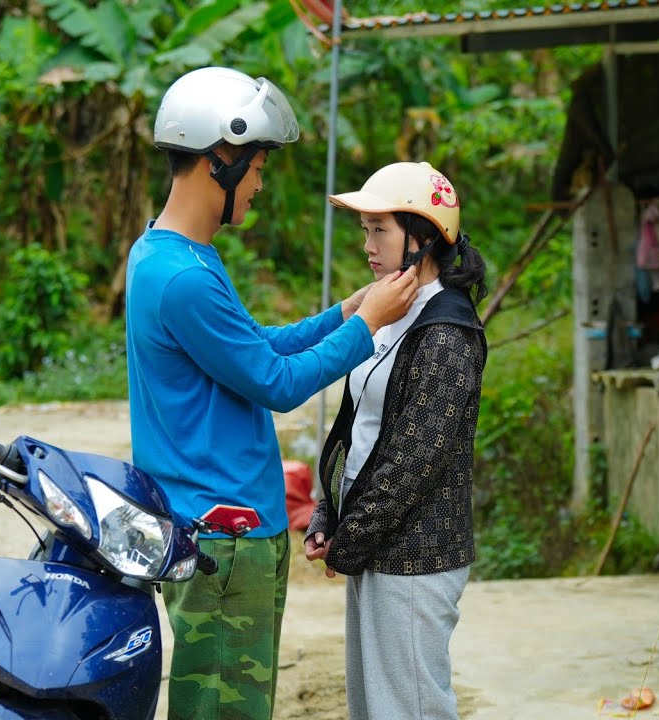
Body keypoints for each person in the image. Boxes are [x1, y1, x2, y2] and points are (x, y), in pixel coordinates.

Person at [124, 67, 420, 720]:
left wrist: (346, 311)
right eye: (256, 168)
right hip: (224, 537)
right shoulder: (184, 279)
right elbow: (275, 384)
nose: (258, 186)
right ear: (220, 161)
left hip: (217, 530)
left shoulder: (173, 256)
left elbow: (252, 347)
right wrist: (369, 327)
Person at [303, 161, 488, 720]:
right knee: (376, 708)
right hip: (379, 548)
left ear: (424, 235)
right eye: (365, 230)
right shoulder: (389, 312)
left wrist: (349, 541)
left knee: (411, 709)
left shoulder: (448, 331)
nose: (368, 244)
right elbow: (357, 429)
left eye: (379, 229)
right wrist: (326, 515)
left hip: (417, 559)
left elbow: (413, 463)